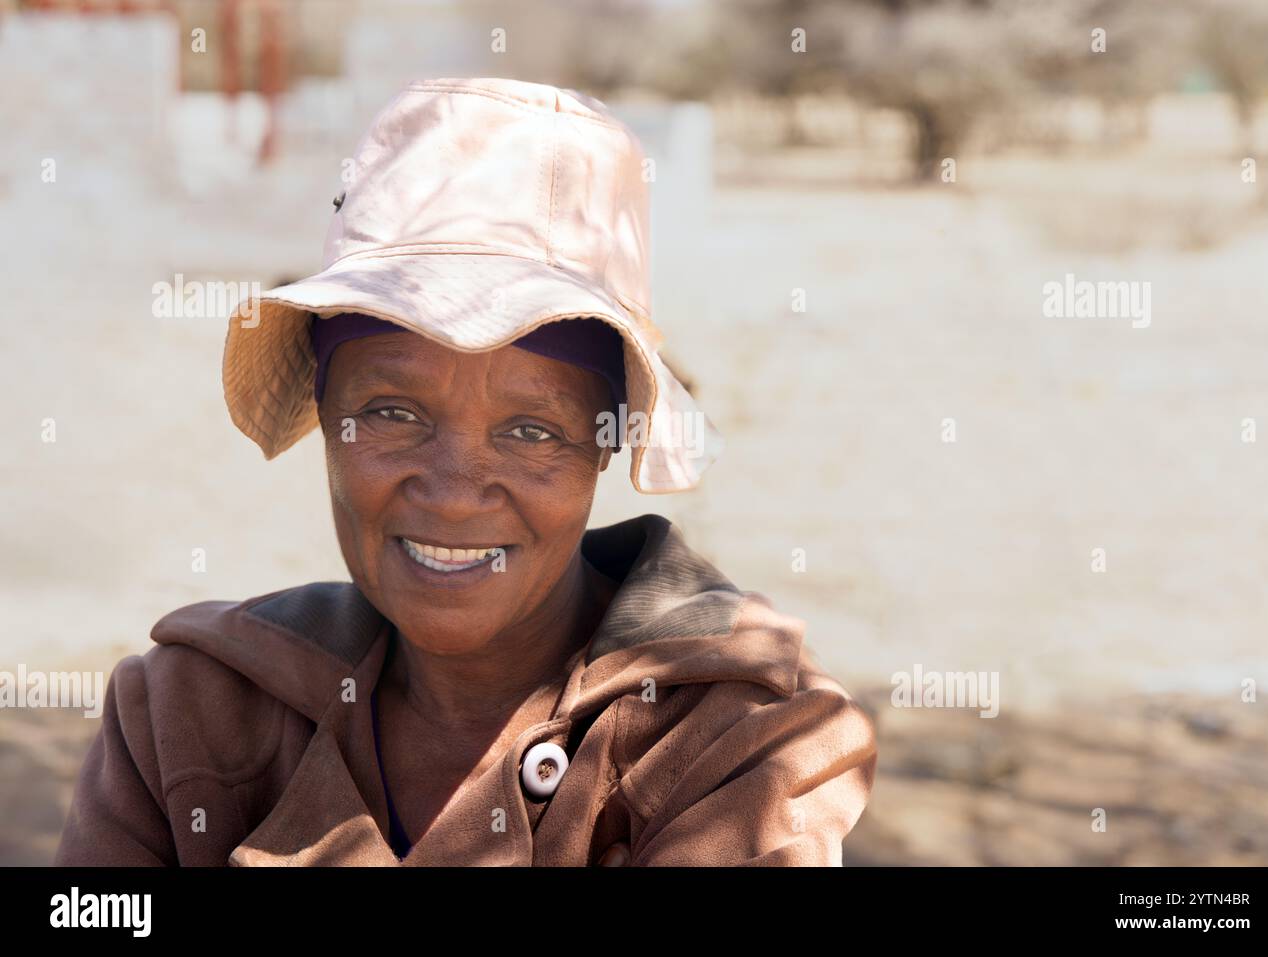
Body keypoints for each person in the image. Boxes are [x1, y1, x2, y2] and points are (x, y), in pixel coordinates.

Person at [55, 77, 877, 866]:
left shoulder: (739, 737)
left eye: (531, 430)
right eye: (392, 413)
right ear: (326, 414)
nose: (452, 488)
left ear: (610, 440)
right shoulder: (187, 711)